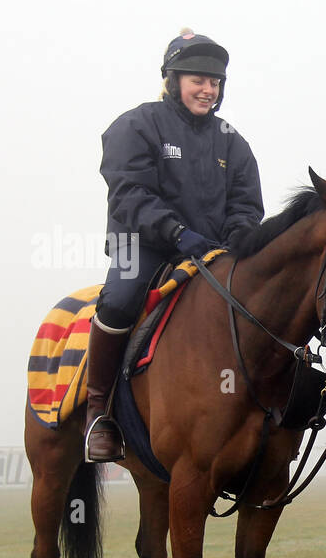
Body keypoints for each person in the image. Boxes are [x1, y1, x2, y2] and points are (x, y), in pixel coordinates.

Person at [83, 29, 265, 462]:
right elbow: (128, 194)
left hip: (209, 249)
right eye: (198, 80)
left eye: (215, 82)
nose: (208, 90)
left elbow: (246, 205)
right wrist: (178, 234)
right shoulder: (135, 125)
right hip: (138, 241)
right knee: (121, 297)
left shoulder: (232, 142)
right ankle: (98, 413)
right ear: (172, 79)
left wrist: (239, 238)